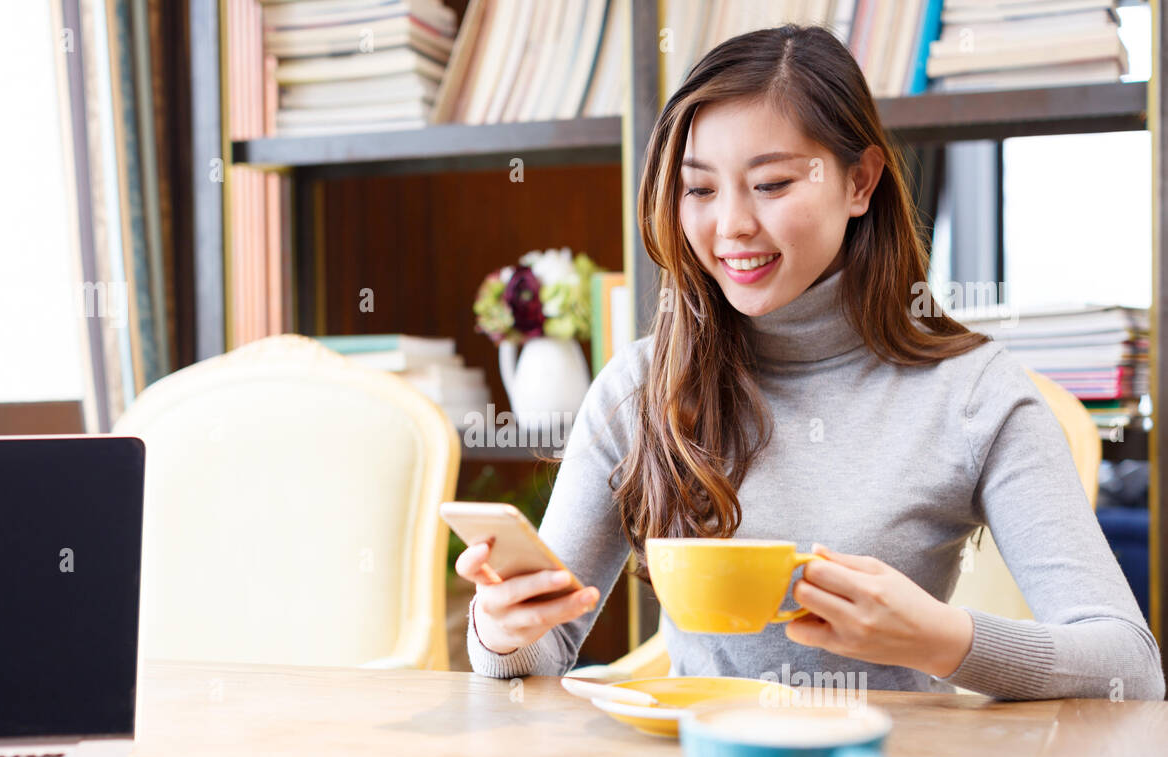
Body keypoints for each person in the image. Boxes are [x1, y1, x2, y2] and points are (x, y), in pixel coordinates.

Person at [456, 24, 1165, 701]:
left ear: (860, 183)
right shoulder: (639, 387)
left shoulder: (974, 392)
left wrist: (939, 640)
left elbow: (1128, 667)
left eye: (771, 185)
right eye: (698, 189)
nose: (730, 225)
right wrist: (500, 627)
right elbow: (543, 651)